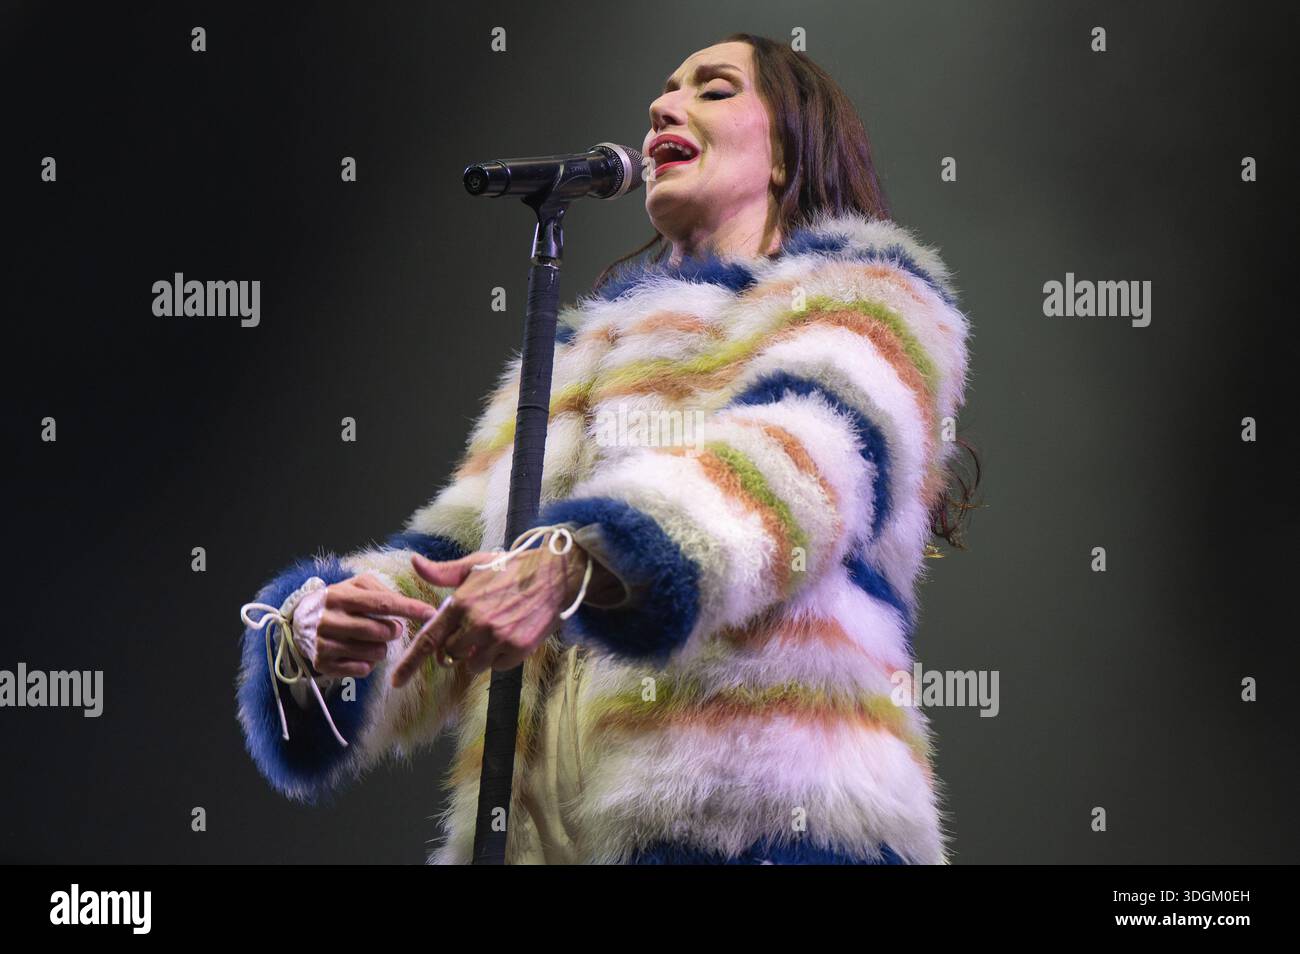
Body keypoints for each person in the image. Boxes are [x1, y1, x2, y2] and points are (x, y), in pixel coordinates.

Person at [237, 33, 977, 865]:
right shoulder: (573, 362)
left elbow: (785, 471)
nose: (666, 106)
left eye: (715, 88)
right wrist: (323, 631)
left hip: (770, 836)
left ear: (787, 152)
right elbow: (456, 570)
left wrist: (577, 560)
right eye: (664, 90)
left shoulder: (869, 296)